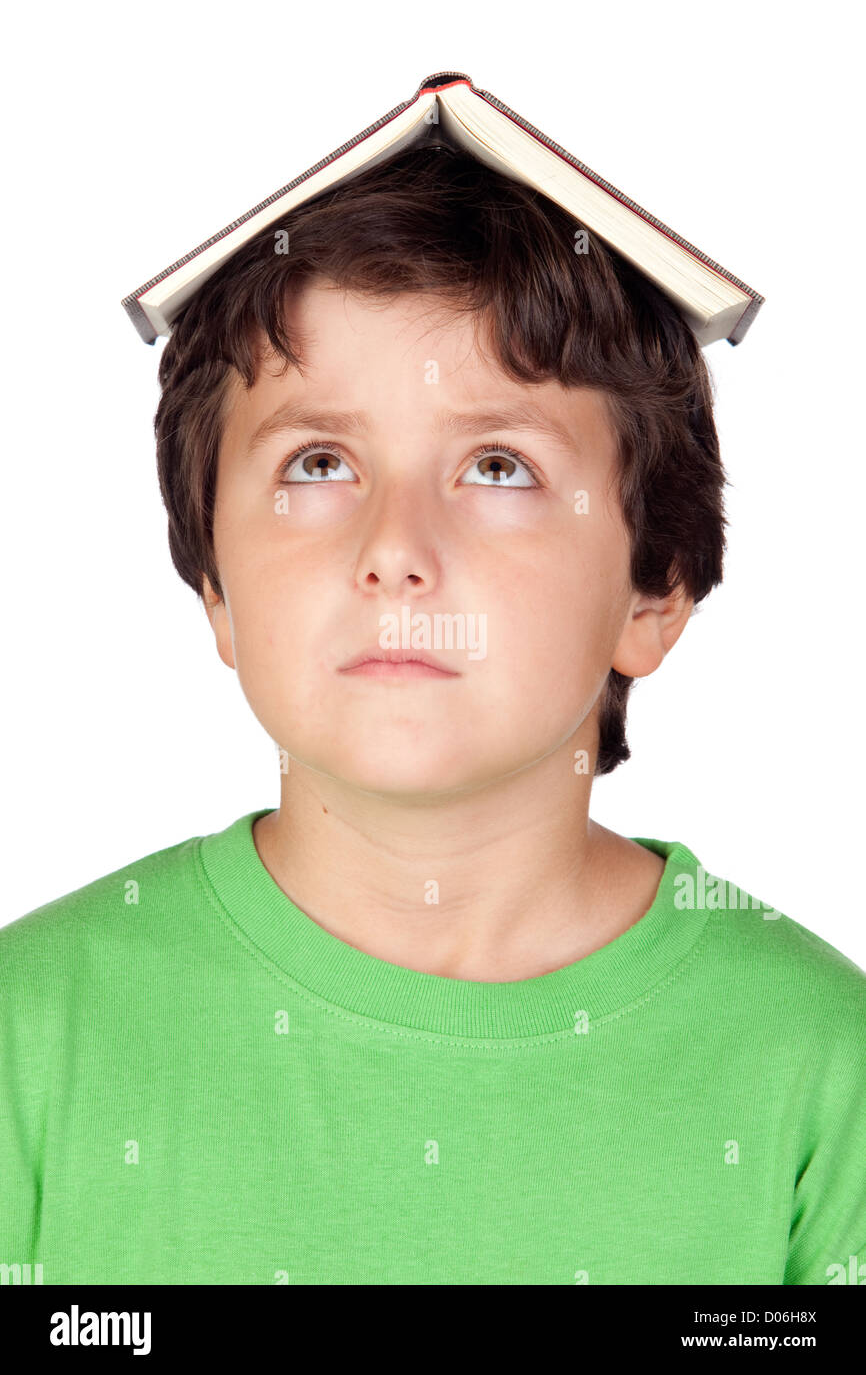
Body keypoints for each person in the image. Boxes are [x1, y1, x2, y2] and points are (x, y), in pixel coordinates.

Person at [1, 145, 863, 1286]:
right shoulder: (31, 1034)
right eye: (319, 461)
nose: (394, 552)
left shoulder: (821, 1070)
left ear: (653, 593)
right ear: (215, 588)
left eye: (498, 468)